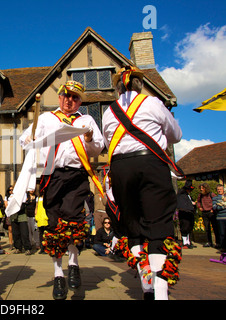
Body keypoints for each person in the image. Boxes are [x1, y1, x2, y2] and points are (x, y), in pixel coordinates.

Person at [102, 66, 183, 300]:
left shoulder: (109, 112)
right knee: (158, 224)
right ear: (139, 84)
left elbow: (110, 144)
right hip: (150, 164)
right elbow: (176, 135)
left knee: (133, 225)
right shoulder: (153, 103)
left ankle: (146, 285)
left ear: (118, 87)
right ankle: (159, 293)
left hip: (120, 169)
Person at [20, 80, 104, 300]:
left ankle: (74, 263)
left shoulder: (86, 120)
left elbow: (98, 148)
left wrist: (89, 138)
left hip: (77, 175)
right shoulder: (47, 118)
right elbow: (24, 141)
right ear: (59, 97)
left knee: (74, 219)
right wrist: (29, 139)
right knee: (54, 225)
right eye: (66, 96)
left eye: (75, 97)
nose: (69, 100)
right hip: (52, 176)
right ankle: (58, 274)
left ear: (79, 101)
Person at [197, 183, 220, 248]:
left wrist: (213, 208)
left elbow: (216, 200)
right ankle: (209, 242)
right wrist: (200, 207)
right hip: (204, 212)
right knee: (207, 228)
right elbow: (198, 201)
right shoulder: (200, 195)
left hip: (211, 212)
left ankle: (218, 242)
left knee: (215, 228)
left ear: (205, 188)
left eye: (202, 188)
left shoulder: (211, 194)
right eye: (201, 188)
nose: (201, 189)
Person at [176, 180, 196, 249]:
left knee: (189, 228)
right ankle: (185, 242)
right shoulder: (182, 195)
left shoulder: (187, 196)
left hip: (189, 213)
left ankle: (188, 242)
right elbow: (182, 204)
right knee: (185, 227)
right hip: (184, 214)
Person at [212, 184, 226, 251]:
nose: (219, 190)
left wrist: (220, 205)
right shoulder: (215, 198)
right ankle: (223, 247)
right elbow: (215, 207)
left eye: (220, 189)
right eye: (218, 189)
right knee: (222, 233)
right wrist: (223, 206)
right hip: (220, 218)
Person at [3, 186, 14, 250]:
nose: (11, 191)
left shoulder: (16, 196)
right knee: (10, 230)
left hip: (15, 213)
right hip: (9, 214)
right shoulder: (6, 197)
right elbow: (6, 205)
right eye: (10, 190)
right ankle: (10, 243)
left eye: (12, 190)